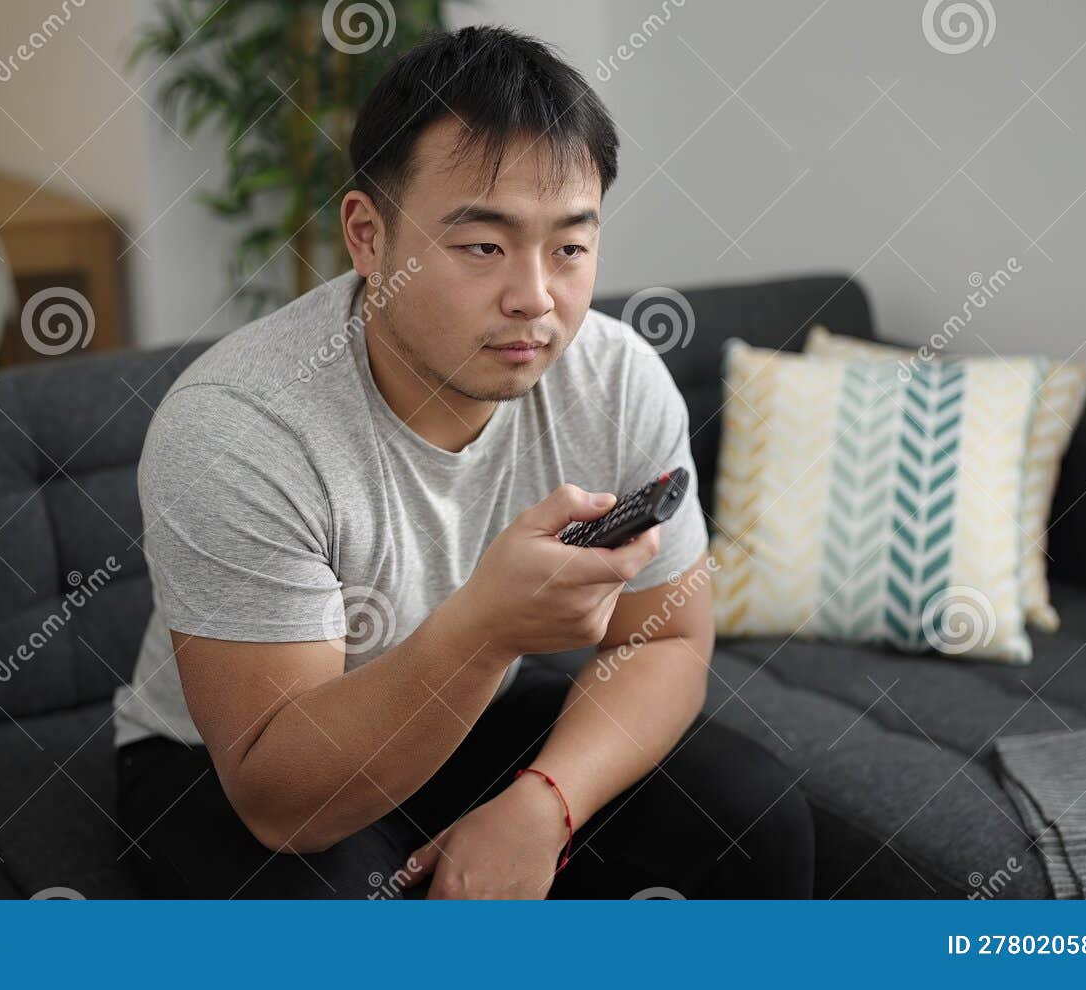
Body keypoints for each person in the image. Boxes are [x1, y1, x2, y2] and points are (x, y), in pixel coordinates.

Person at [112, 24, 812, 899]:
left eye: (570, 247)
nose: (534, 298)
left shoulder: (618, 380)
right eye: (483, 246)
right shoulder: (239, 427)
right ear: (367, 237)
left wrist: (545, 804)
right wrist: (488, 629)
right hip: (243, 763)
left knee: (753, 820)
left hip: (472, 710)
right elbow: (282, 804)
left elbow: (666, 637)